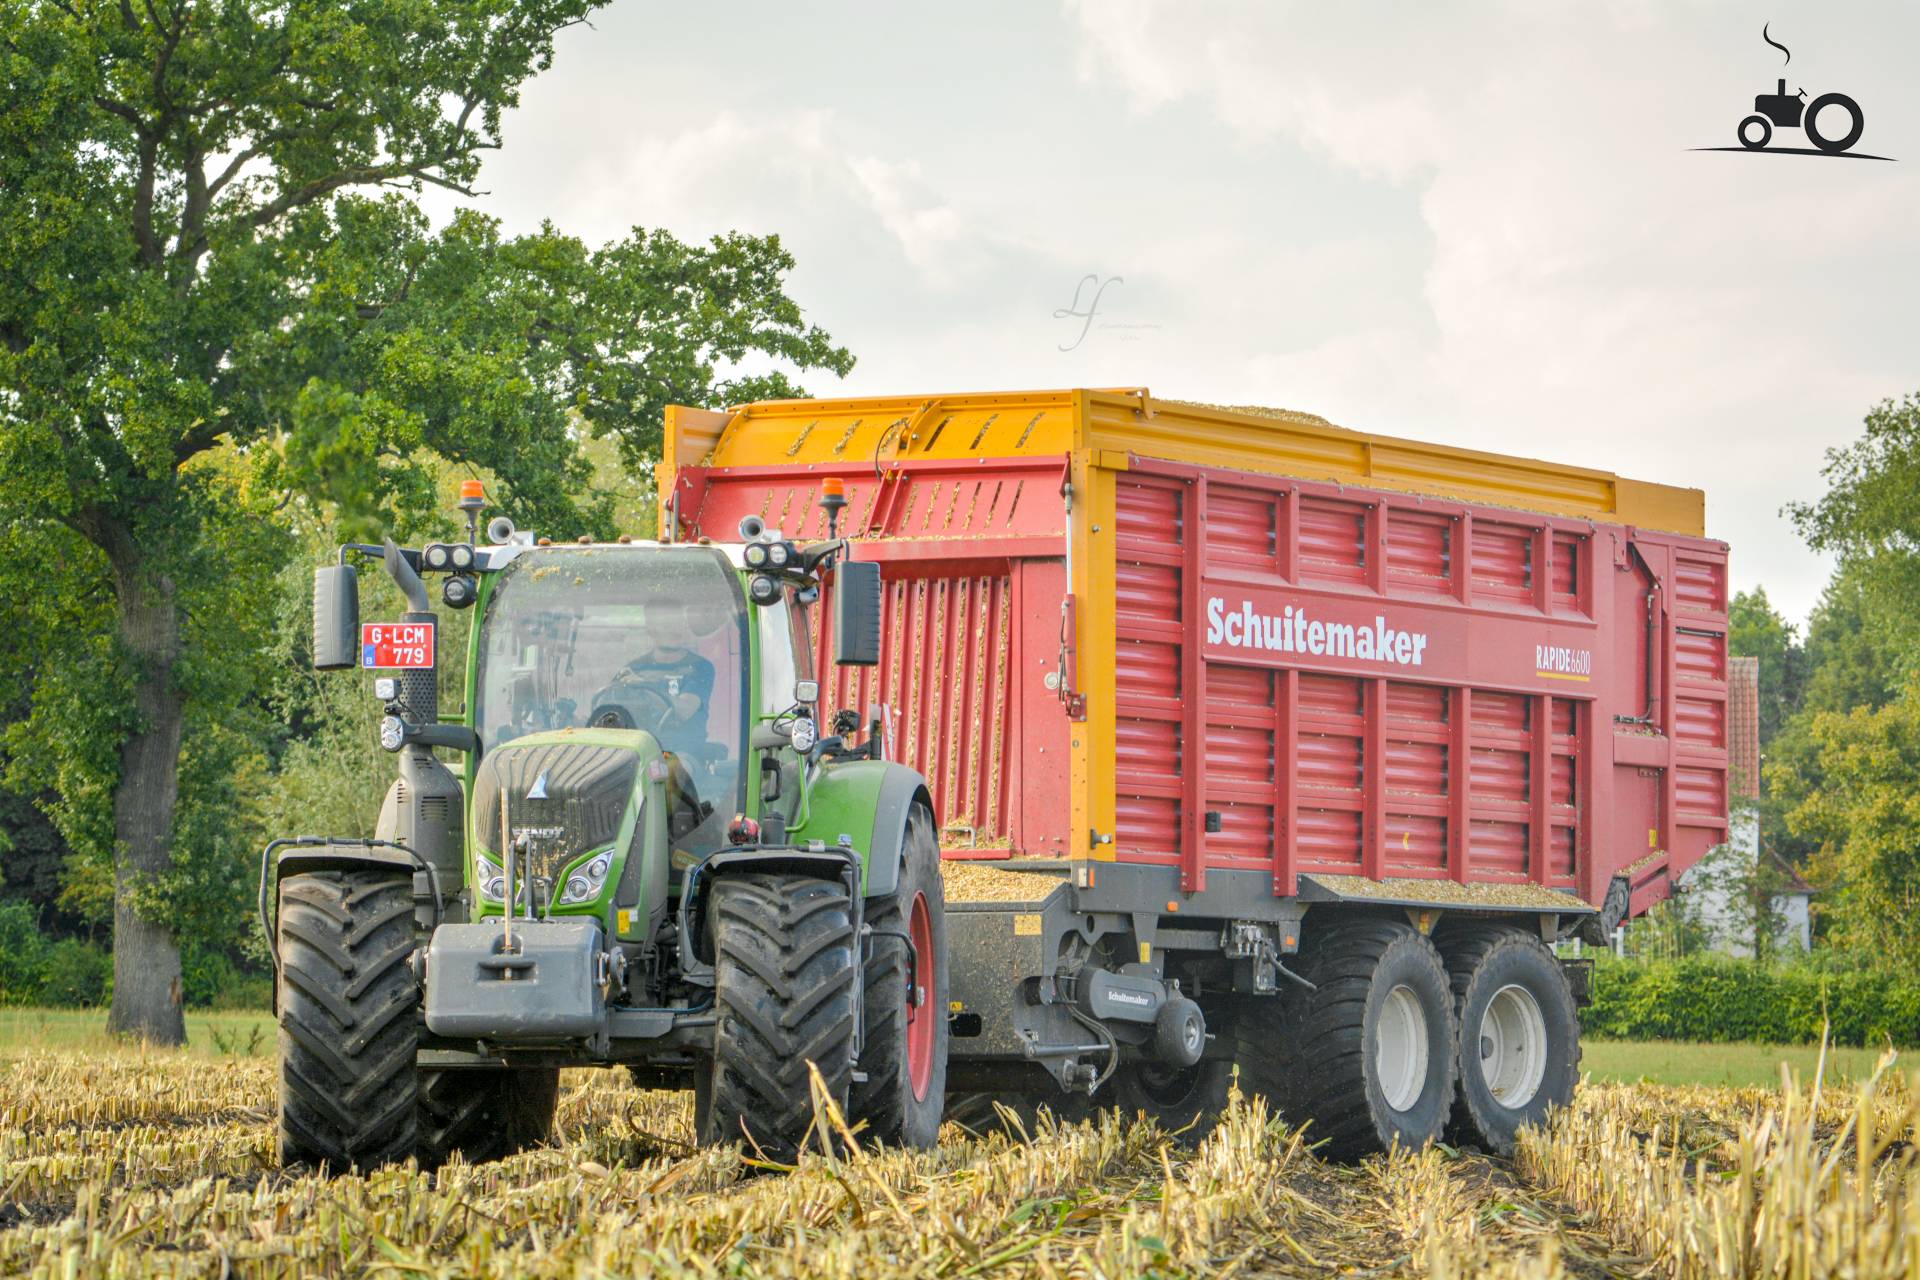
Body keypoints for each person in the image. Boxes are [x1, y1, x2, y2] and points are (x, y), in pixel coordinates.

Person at [620, 605, 714, 757]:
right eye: (667, 625)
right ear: (651, 630)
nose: (676, 630)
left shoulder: (699, 667)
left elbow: (684, 710)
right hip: (639, 752)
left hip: (683, 754)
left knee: (670, 773)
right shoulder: (634, 668)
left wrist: (644, 685)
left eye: (680, 624)